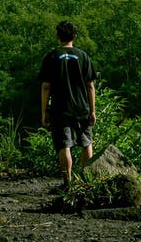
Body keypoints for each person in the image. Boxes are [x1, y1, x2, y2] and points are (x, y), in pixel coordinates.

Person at [39, 20, 97, 187]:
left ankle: (68, 183)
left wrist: (44, 112)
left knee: (64, 145)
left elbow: (45, 87)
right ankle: (87, 181)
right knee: (86, 143)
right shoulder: (83, 56)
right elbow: (90, 86)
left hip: (60, 108)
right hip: (82, 107)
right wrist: (92, 110)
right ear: (74, 36)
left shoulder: (52, 56)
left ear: (58, 37)